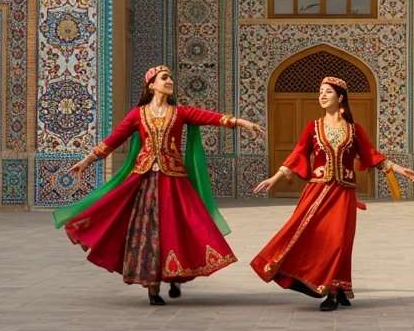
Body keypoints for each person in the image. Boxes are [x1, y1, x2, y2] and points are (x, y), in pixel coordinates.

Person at [58, 65, 264, 304]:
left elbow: (211, 117)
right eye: (164, 78)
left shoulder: (181, 112)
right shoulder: (138, 114)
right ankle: (152, 287)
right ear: (151, 84)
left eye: (170, 77)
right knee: (148, 232)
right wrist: (86, 161)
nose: (170, 81)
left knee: (176, 228)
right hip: (144, 181)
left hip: (174, 181)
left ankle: (175, 277)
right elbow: (114, 139)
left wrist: (242, 122)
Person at [250, 75, 414, 311]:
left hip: (343, 194)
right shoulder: (313, 127)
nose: (322, 95)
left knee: (340, 242)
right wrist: (275, 177)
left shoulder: (354, 130)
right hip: (317, 193)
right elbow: (298, 154)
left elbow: (371, 155)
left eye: (328, 91)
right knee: (313, 239)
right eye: (320, 91)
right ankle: (330, 291)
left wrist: (398, 169)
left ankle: (339, 287)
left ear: (340, 97)